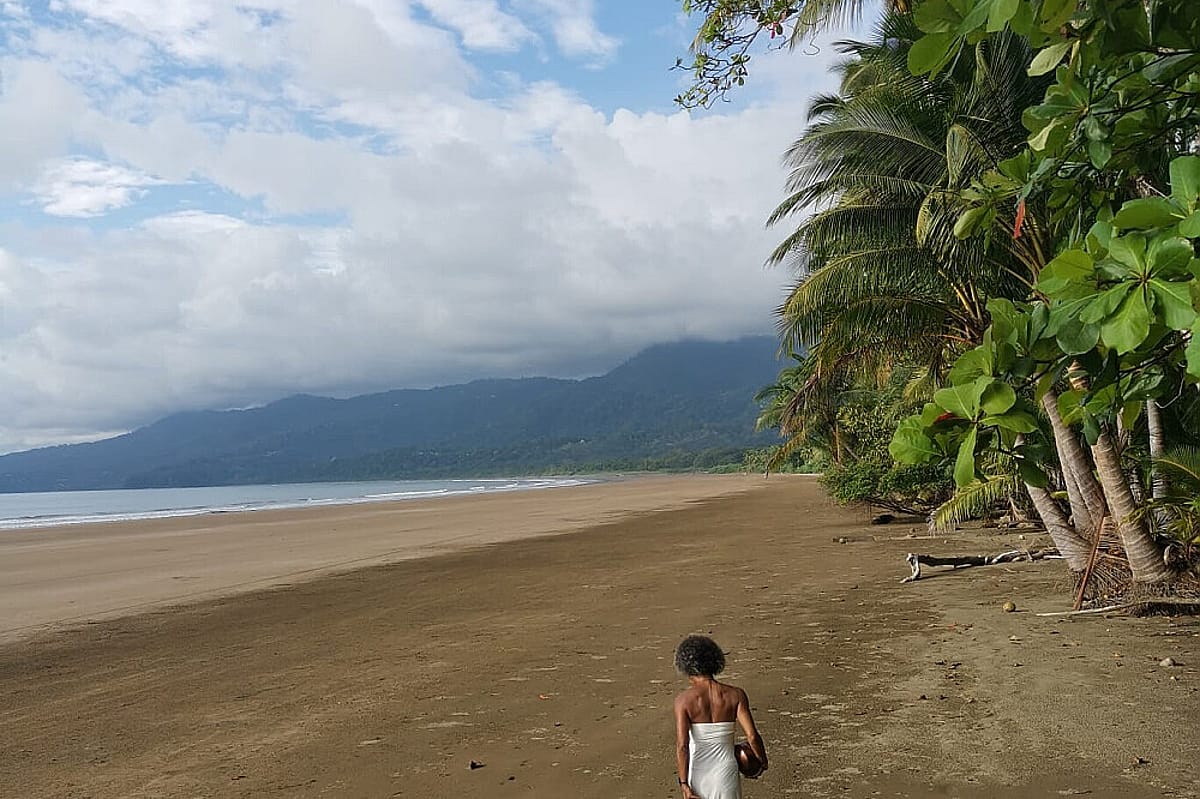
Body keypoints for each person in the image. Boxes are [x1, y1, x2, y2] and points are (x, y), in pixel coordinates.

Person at [673, 635, 767, 799]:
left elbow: (683, 746)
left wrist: (683, 784)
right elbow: (752, 736)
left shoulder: (683, 701)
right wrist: (762, 760)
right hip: (725, 770)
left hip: (699, 771)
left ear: (686, 666)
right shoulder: (736, 695)